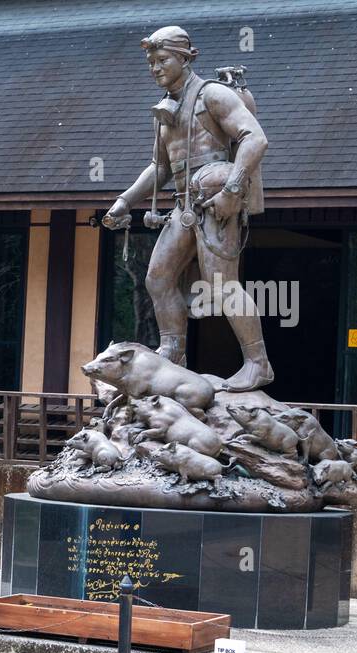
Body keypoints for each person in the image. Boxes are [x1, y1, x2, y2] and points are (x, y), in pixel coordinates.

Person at [101, 25, 273, 392]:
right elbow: (161, 168)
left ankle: (258, 364)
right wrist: (124, 200)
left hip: (214, 200)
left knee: (221, 285)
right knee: (158, 277)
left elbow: (254, 138)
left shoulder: (212, 94)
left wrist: (231, 189)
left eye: (163, 60)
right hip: (184, 205)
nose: (155, 68)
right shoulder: (165, 110)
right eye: (151, 62)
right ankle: (173, 353)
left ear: (185, 58)